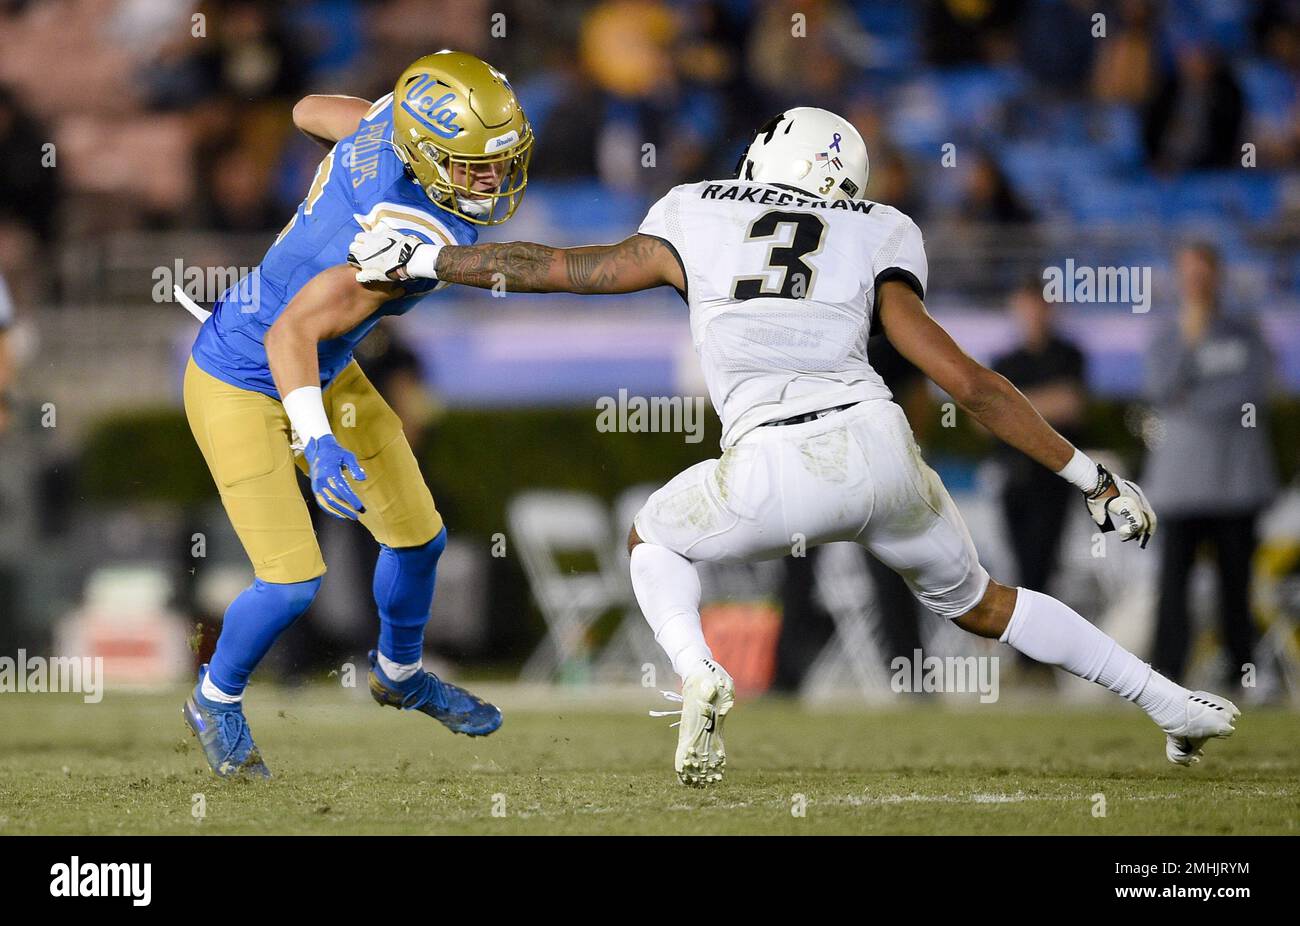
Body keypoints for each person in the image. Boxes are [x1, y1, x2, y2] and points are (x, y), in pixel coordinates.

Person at [351, 108, 1240, 787]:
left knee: (653, 540)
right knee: (981, 602)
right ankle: (1173, 704)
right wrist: (1093, 476)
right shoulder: (875, 228)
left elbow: (566, 271)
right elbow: (973, 385)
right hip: (884, 450)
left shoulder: (697, 209)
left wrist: (432, 262)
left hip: (776, 460)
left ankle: (698, 675)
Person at [181, 51, 532, 778]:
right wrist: (318, 441)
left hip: (323, 366)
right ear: (425, 151)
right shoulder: (404, 231)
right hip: (242, 377)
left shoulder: (385, 130)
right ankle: (215, 697)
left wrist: (377, 124)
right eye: (472, 165)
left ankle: (398, 676)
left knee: (419, 539)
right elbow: (289, 335)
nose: (491, 179)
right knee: (291, 579)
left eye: (498, 160)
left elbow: (307, 109)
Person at [1145, 242, 1278, 688]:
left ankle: (1242, 675)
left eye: (1203, 273)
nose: (1196, 282)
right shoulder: (1168, 335)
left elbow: (1251, 391)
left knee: (1236, 589)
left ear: (1218, 276)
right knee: (1172, 590)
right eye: (1189, 274)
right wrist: (1189, 342)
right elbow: (1160, 389)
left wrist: (1192, 401)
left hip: (1237, 483)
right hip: (1179, 485)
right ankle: (1165, 678)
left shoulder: (1245, 332)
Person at [992, 280, 1089, 600]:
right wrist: (1044, 405)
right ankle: (1027, 644)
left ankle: (1035, 645)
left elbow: (1070, 404)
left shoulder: (1068, 355)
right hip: (1014, 477)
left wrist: (1013, 407)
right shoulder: (1005, 362)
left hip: (1052, 478)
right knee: (1020, 566)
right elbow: (983, 416)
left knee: (1043, 567)